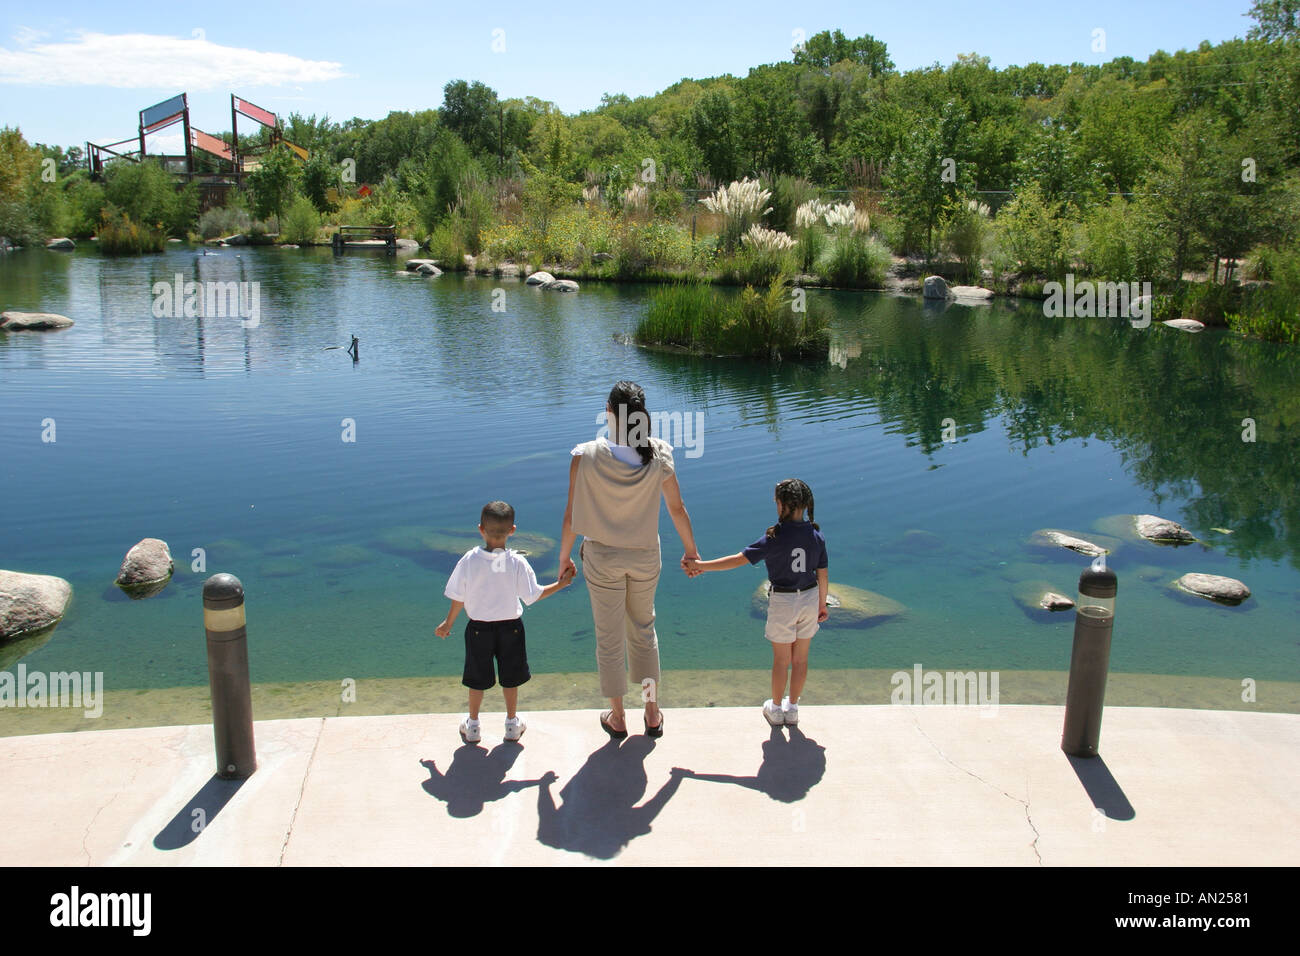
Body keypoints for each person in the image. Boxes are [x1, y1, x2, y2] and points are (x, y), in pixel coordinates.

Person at [559, 381, 700, 740]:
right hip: (644, 558)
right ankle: (652, 712)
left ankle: (618, 716)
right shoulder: (659, 455)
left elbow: (571, 518)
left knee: (609, 639)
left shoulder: (585, 455)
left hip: (602, 558)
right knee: (643, 632)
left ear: (609, 410)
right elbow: (677, 509)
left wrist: (562, 560)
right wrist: (691, 551)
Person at [685, 479, 827, 727]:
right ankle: (792, 708)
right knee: (801, 659)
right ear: (805, 505)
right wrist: (822, 605)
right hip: (809, 597)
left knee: (781, 660)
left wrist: (700, 566)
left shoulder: (774, 537)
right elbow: (822, 573)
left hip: (783, 601)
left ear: (781, 505)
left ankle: (775, 708)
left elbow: (738, 560)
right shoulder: (816, 535)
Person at [436, 500, 574, 743]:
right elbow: (533, 595)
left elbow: (458, 596)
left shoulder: (469, 560)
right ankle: (511, 724)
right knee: (511, 677)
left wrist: (448, 623)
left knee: (476, 678)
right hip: (511, 628)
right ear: (513, 530)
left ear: (480, 529)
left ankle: (473, 726)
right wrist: (561, 584)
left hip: (478, 629)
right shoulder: (516, 562)